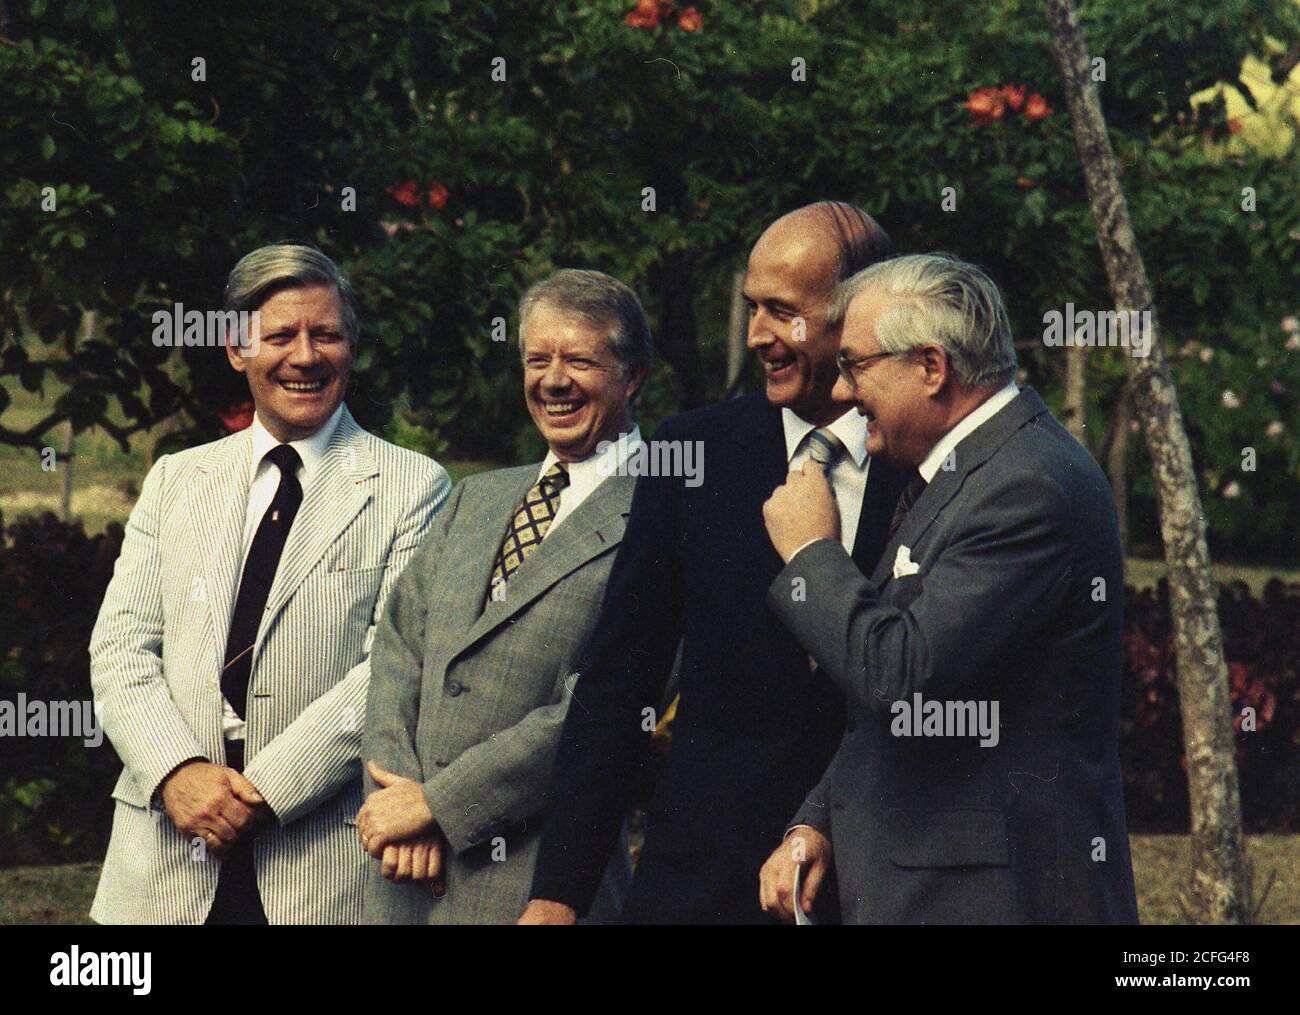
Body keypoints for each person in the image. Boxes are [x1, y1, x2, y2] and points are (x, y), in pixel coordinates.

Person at [522, 202, 909, 924]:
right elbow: (618, 679)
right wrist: (558, 893)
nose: (758, 334)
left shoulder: (924, 464)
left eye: (781, 311)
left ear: (858, 313)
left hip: (876, 884)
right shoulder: (694, 453)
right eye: (750, 308)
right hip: (699, 884)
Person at [758, 253, 1139, 924]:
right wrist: (818, 821)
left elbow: (899, 675)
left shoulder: (1028, 487)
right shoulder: (972, 472)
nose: (844, 393)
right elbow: (910, 703)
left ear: (931, 367)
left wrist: (812, 553)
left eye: (856, 365)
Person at [90, 243, 449, 924]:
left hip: (322, 862)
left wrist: (259, 792)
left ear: (352, 346)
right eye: (281, 335)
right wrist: (175, 772)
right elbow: (120, 648)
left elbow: (393, 670)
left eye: (327, 334)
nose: (305, 356)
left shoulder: (412, 485)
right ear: (236, 350)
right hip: (166, 849)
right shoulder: (177, 478)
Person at [356, 269, 649, 923]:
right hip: (404, 875)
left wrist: (440, 805)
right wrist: (402, 793)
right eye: (537, 358)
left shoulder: (666, 515)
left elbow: (608, 705)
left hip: (539, 887)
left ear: (631, 377)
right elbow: (398, 643)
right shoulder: (475, 497)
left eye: (578, 359)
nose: (553, 379)